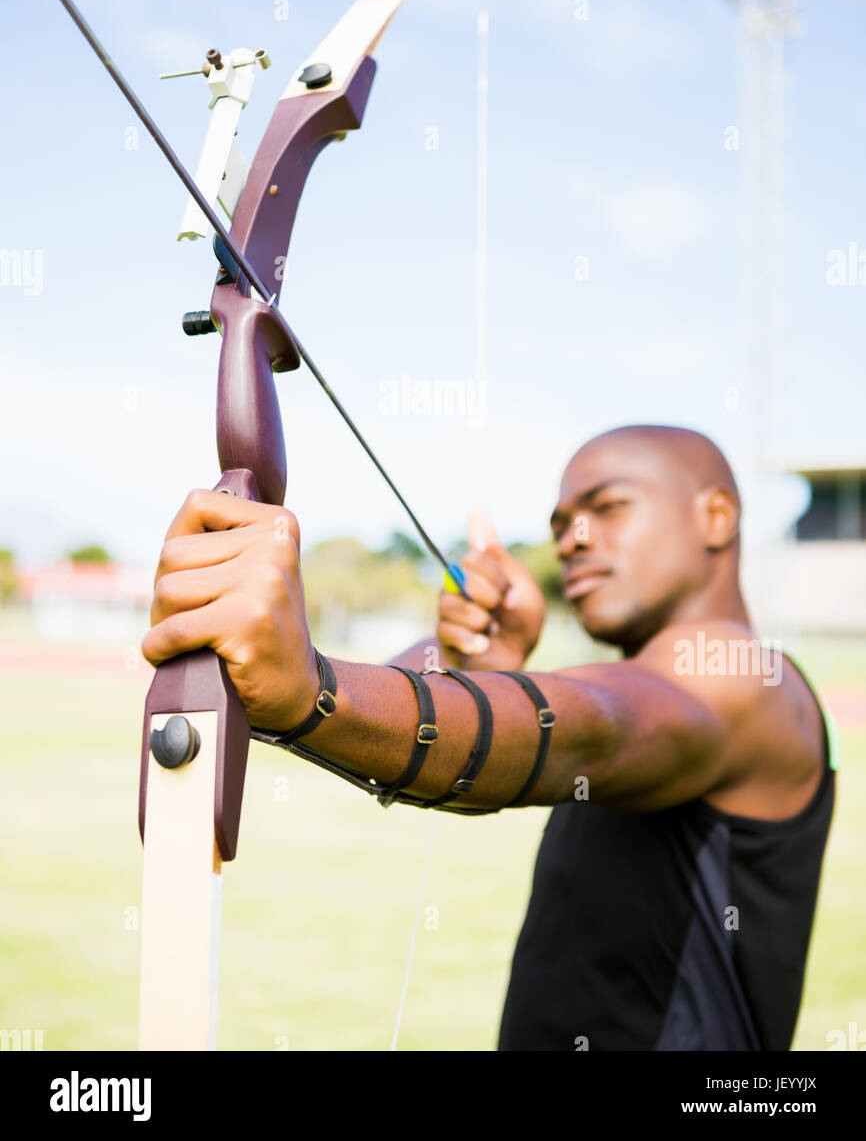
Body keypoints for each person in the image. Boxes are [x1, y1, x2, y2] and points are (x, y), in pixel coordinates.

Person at [142, 424, 835, 1051]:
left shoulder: (747, 676)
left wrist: (312, 688)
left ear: (715, 516)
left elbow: (593, 727)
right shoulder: (660, 681)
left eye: (609, 507)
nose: (573, 538)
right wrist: (460, 657)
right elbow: (468, 707)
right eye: (562, 522)